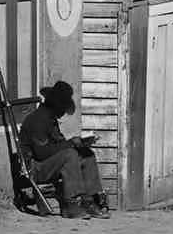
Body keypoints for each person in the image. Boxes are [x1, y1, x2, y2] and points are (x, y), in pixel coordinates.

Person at [17, 80, 110, 219]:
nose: (63, 112)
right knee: (69, 155)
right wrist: (70, 144)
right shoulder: (38, 120)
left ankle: (89, 200)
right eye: (63, 108)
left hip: (47, 163)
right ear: (56, 106)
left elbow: (58, 144)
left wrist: (80, 144)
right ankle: (71, 204)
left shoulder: (50, 119)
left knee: (86, 154)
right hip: (35, 167)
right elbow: (41, 153)